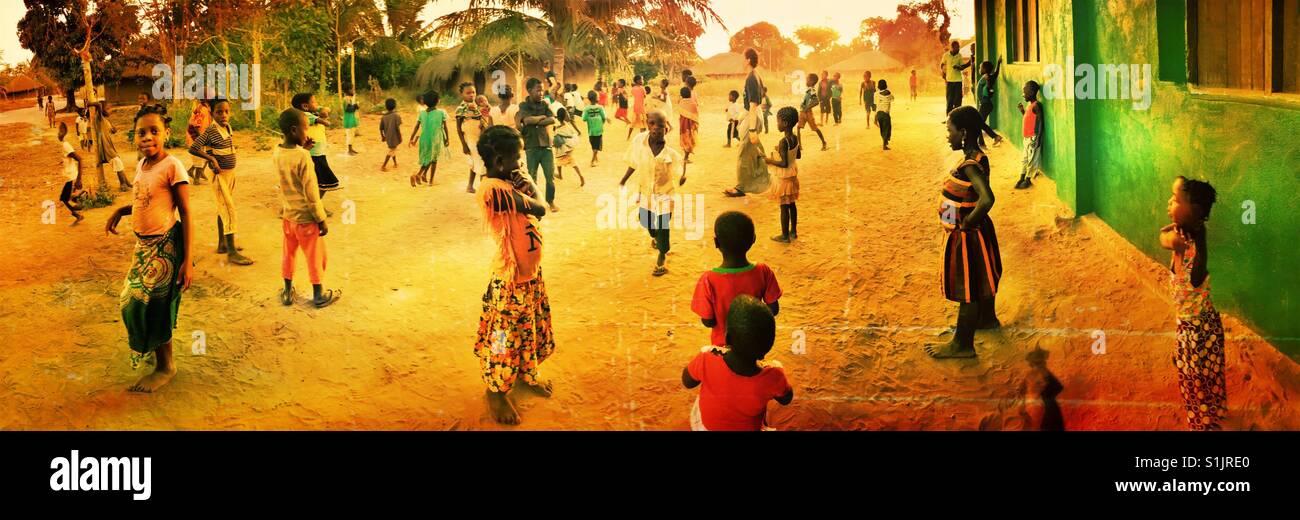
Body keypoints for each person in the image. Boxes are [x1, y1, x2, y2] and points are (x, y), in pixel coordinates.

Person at [104, 104, 193, 393]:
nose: (147, 137)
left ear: (166, 132)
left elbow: (186, 213)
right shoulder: (142, 165)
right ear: (134, 136)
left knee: (155, 306)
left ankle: (166, 367)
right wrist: (122, 210)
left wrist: (187, 260)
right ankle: (155, 350)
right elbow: (146, 200)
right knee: (131, 302)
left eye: (154, 131)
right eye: (141, 132)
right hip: (142, 248)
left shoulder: (172, 166)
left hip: (165, 247)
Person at [473, 125, 553, 425]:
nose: (521, 163)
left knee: (527, 330)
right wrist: (530, 185)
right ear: (498, 161)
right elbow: (541, 208)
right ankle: (495, 391)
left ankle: (524, 373)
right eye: (517, 158)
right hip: (510, 282)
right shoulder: (493, 190)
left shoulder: (509, 184)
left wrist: (526, 182)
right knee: (503, 337)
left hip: (530, 276)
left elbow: (537, 207)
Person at [926, 106, 1002, 360]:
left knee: (967, 289)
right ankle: (987, 320)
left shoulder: (970, 164)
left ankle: (962, 344)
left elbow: (987, 198)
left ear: (964, 132)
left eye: (950, 130)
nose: (948, 135)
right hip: (974, 231)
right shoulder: (976, 158)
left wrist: (967, 222)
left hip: (967, 234)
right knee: (981, 278)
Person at [1159, 176, 1225, 430]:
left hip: (1197, 334)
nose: (1169, 203)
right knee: (1204, 380)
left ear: (1194, 213)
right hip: (1196, 325)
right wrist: (1171, 237)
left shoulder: (1190, 247)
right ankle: (1210, 418)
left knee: (1195, 385)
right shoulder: (1189, 230)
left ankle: (1203, 426)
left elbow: (1165, 238)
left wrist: (1172, 241)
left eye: (1175, 200)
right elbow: (1163, 236)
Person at [682, 295, 793, 431]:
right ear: (765, 349)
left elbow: (687, 381)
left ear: (727, 338)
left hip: (707, 427)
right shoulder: (774, 376)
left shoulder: (707, 358)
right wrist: (774, 367)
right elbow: (786, 398)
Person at [276, 108, 340, 309]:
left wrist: (303, 148)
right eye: (305, 129)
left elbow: (290, 163)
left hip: (288, 217)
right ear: (294, 130)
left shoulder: (277, 152)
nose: (308, 133)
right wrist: (321, 218)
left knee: (289, 254)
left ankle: (287, 291)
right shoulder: (303, 157)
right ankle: (318, 294)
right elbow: (311, 193)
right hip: (306, 219)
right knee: (315, 255)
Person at [691, 211, 782, 347]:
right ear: (753, 239)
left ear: (716, 242)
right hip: (754, 343)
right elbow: (773, 309)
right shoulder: (763, 271)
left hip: (723, 345)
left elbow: (708, 321)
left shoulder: (708, 280)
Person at [618, 111, 686, 276]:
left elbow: (679, 171)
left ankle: (662, 255)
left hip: (665, 193)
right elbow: (634, 162)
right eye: (652, 124)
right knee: (645, 220)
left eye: (660, 125)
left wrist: (682, 177)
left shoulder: (670, 154)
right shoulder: (639, 142)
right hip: (646, 191)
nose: (656, 128)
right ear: (647, 124)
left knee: (663, 226)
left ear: (666, 128)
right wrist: (623, 179)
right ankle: (655, 236)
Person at [189, 98, 253, 266]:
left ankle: (222, 244)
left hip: (230, 174)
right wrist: (211, 158)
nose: (224, 115)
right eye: (219, 112)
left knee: (222, 208)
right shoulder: (210, 130)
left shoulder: (227, 127)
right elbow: (193, 147)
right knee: (229, 210)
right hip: (219, 176)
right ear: (212, 113)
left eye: (226, 111)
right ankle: (232, 253)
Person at [516, 78, 560, 212]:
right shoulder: (523, 106)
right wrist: (541, 118)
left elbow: (552, 119)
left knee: (550, 177)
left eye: (542, 90)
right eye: (538, 90)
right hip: (531, 146)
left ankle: (550, 202)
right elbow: (526, 120)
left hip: (546, 145)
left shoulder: (545, 104)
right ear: (529, 91)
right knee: (532, 177)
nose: (541, 93)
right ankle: (535, 202)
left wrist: (535, 121)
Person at [293, 93, 342, 198]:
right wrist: (323, 118)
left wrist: (324, 110)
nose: (317, 104)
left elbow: (326, 109)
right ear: (305, 106)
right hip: (313, 154)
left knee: (318, 182)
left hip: (318, 153)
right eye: (314, 102)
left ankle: (313, 203)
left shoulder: (312, 111)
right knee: (321, 182)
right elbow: (323, 122)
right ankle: (314, 204)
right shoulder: (305, 115)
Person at [767, 107, 800, 243]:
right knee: (792, 204)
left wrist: (769, 160)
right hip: (793, 175)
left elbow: (784, 163)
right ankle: (793, 231)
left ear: (785, 123)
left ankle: (784, 235)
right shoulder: (795, 138)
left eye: (778, 121)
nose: (777, 124)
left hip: (784, 177)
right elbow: (798, 155)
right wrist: (782, 152)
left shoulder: (783, 141)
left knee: (783, 206)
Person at [89, 101, 132, 191]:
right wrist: (90, 103)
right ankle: (123, 184)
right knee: (117, 162)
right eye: (108, 108)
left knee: (119, 162)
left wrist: (114, 129)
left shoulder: (105, 120)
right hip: (105, 147)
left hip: (109, 145)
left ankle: (126, 182)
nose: (110, 110)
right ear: (101, 110)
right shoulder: (98, 117)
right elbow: (99, 104)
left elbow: (111, 130)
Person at [409, 91, 449, 186]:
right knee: (434, 160)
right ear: (438, 101)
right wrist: (447, 138)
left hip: (424, 139)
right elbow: (445, 127)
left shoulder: (422, 113)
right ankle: (431, 181)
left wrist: (411, 138)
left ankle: (419, 175)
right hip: (435, 139)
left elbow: (416, 127)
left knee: (427, 158)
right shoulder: (441, 113)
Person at [455, 82, 487, 193]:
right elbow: (459, 129)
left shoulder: (476, 106)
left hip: (479, 136)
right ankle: (484, 189)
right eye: (468, 93)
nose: (471, 95)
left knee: (475, 162)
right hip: (470, 139)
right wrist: (464, 145)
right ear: (461, 94)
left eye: (473, 92)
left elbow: (482, 119)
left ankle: (470, 186)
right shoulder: (461, 108)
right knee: (481, 162)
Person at [1015, 80, 1044, 189]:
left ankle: (1028, 179)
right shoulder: (1029, 105)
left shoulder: (1037, 106)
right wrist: (1022, 111)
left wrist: (1038, 139)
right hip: (1026, 138)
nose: (1023, 95)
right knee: (1025, 158)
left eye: (1024, 92)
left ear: (1032, 92)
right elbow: (1029, 119)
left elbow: (1041, 123)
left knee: (1032, 160)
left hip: (1033, 138)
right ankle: (1022, 177)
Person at [56, 122, 85, 225]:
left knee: (64, 198)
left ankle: (78, 214)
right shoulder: (64, 144)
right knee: (67, 197)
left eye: (59, 131)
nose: (58, 134)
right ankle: (79, 206)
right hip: (70, 176)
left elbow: (79, 159)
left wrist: (79, 179)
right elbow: (68, 157)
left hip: (72, 177)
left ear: (63, 132)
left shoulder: (65, 145)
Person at [940, 41, 974, 122]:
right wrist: (944, 75)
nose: (958, 49)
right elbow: (942, 66)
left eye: (958, 47)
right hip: (950, 81)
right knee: (949, 101)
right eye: (956, 47)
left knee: (958, 101)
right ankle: (949, 119)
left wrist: (959, 67)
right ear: (952, 47)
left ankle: (958, 119)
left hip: (958, 81)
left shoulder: (959, 56)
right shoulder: (946, 55)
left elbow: (962, 67)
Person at [551, 107, 584, 187]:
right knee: (569, 161)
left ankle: (578, 176)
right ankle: (578, 176)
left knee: (560, 161)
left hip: (562, 148)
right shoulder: (566, 124)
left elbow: (554, 133)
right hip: (568, 147)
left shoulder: (556, 124)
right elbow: (571, 133)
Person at [976, 58, 1005, 147]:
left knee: (978, 123)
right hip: (986, 104)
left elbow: (988, 87)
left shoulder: (986, 77)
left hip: (985, 104)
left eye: (980, 67)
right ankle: (981, 142)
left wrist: (989, 88)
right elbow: (996, 73)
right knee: (979, 123)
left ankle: (994, 137)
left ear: (984, 70)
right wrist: (998, 63)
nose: (979, 69)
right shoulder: (990, 76)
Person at [797, 73, 829, 151]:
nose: (806, 80)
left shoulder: (812, 90)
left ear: (811, 81)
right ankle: (799, 146)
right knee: (798, 128)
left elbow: (816, 101)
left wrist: (807, 108)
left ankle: (824, 143)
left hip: (808, 112)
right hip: (803, 112)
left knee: (815, 128)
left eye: (807, 79)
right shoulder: (808, 90)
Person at [185, 99, 212, 184]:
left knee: (206, 155)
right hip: (196, 135)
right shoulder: (201, 108)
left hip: (201, 134)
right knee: (200, 156)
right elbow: (196, 125)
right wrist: (200, 137)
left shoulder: (205, 107)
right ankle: (196, 179)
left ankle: (192, 171)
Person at [581, 90, 608, 167]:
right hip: (599, 130)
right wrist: (602, 123)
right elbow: (603, 117)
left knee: (593, 145)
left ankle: (595, 158)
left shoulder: (586, 108)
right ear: (597, 98)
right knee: (596, 146)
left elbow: (584, 119)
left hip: (591, 131)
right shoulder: (600, 107)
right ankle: (592, 161)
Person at [379, 98, 402, 171]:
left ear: (386, 107)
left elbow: (381, 128)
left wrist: (383, 136)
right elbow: (397, 128)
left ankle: (395, 163)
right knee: (391, 150)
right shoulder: (396, 116)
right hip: (394, 136)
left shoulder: (384, 117)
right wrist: (400, 136)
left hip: (388, 136)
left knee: (393, 149)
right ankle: (383, 166)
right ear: (395, 106)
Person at [677, 86, 699, 163]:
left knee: (685, 139)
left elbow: (680, 113)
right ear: (690, 94)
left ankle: (686, 155)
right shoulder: (693, 103)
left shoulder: (681, 102)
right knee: (690, 139)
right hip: (691, 126)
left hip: (683, 125)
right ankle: (686, 157)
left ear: (681, 95)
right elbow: (696, 115)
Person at [875, 79, 895, 150]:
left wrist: (875, 118)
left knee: (882, 129)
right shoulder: (889, 93)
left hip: (879, 114)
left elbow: (877, 106)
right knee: (887, 129)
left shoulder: (876, 94)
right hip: (886, 114)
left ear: (878, 86)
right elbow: (892, 99)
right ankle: (884, 144)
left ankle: (885, 141)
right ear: (886, 85)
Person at [626, 75, 647, 140]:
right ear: (638, 81)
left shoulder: (633, 89)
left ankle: (628, 136)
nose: (642, 81)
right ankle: (642, 137)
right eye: (641, 79)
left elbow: (631, 97)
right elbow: (645, 96)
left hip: (635, 108)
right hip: (641, 108)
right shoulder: (642, 88)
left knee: (633, 123)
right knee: (643, 123)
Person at [343, 88, 361, 156]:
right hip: (348, 120)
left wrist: (355, 106)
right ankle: (349, 150)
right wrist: (356, 105)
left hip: (351, 119)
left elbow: (351, 109)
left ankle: (351, 149)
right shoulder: (346, 99)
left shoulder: (349, 98)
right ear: (348, 91)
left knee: (351, 135)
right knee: (349, 135)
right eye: (352, 90)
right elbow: (348, 109)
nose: (353, 91)